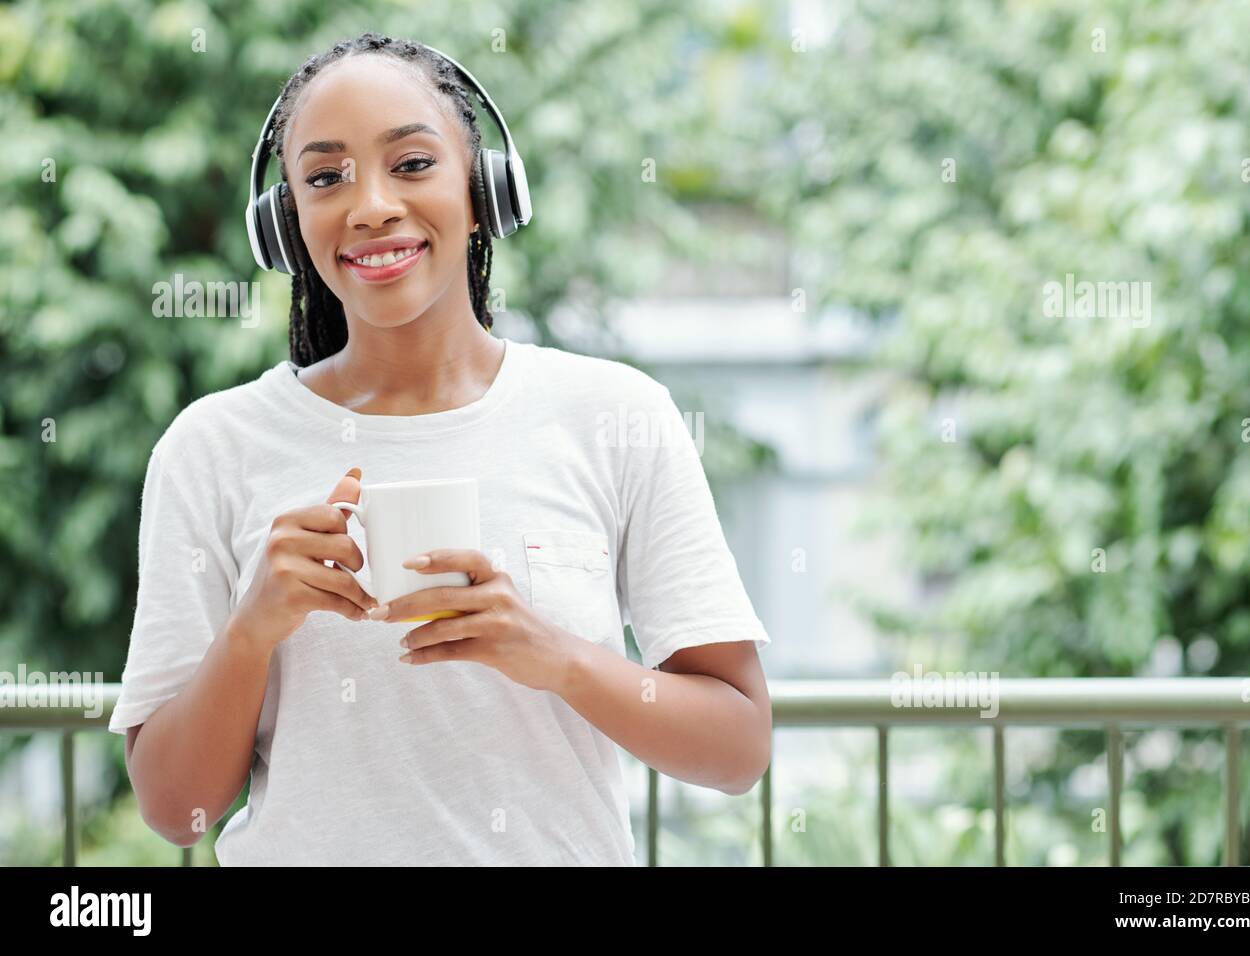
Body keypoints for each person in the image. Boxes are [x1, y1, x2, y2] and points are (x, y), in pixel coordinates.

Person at [108, 32, 772, 866]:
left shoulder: (615, 415)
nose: (372, 205)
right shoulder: (210, 449)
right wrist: (251, 630)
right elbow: (177, 811)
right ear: (285, 224)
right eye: (324, 177)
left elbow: (739, 747)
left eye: (413, 163)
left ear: (485, 189)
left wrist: (558, 659)